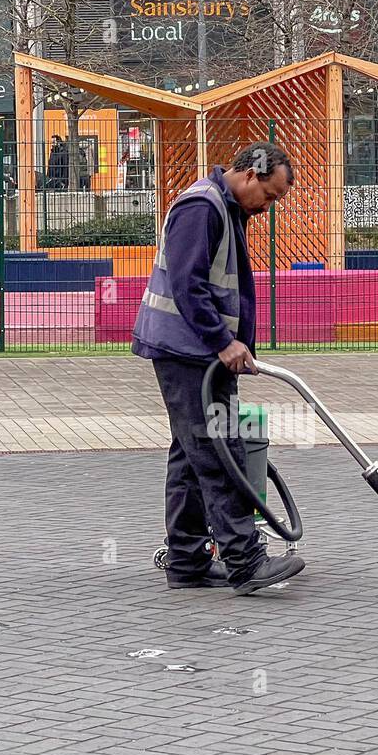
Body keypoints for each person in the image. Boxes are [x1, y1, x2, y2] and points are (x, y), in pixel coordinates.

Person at [131, 142, 304, 596]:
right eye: (269, 196)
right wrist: (223, 341)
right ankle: (244, 560)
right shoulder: (201, 207)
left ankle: (186, 561)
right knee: (216, 451)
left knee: (190, 455)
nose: (269, 208)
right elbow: (188, 285)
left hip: (199, 354)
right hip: (187, 352)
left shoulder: (227, 210)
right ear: (249, 175)